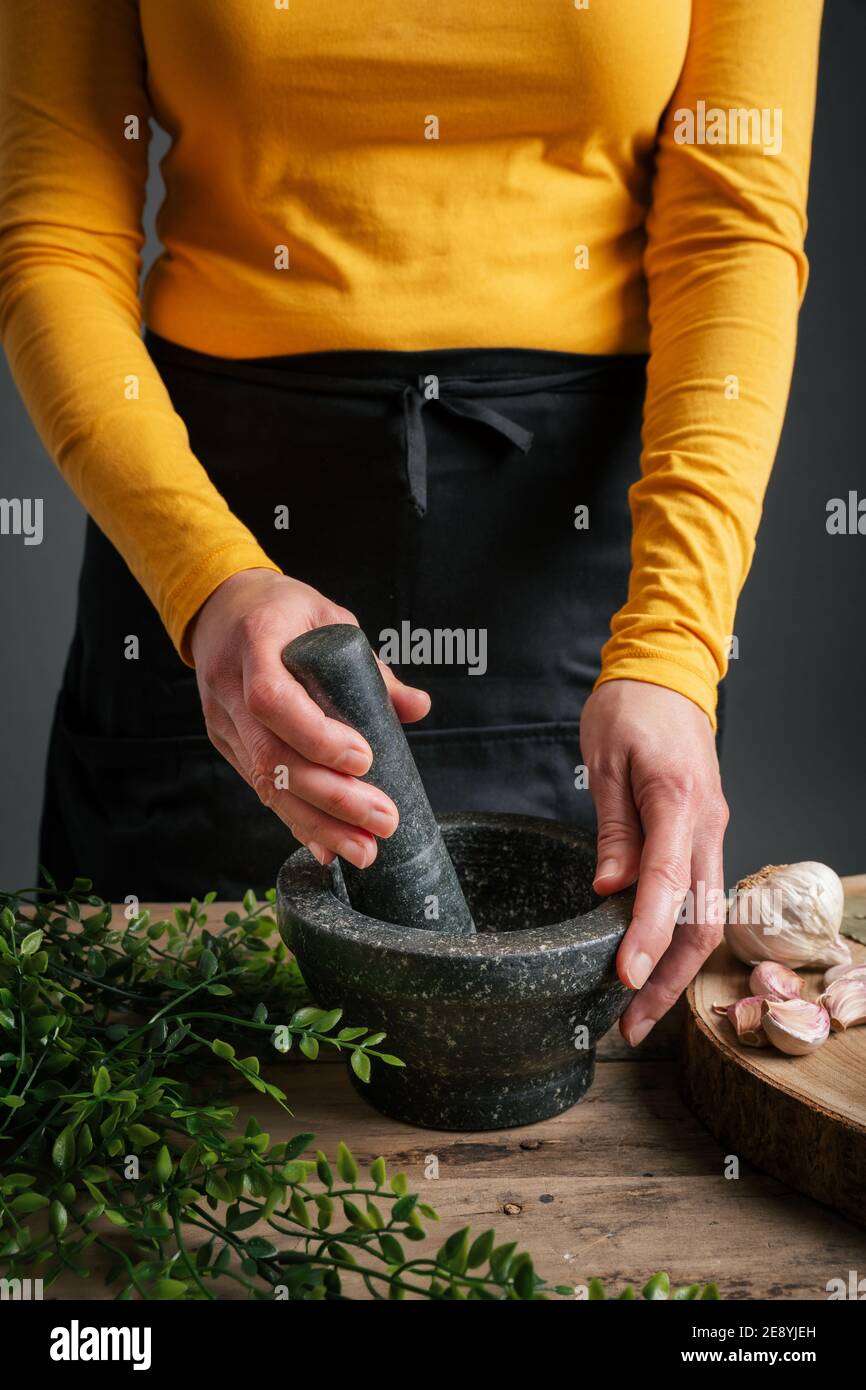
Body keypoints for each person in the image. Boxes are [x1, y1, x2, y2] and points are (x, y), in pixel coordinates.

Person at [0, 1, 823, 1046]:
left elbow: (729, 235)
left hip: (578, 563)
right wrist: (203, 576)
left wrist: (671, 638)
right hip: (204, 542)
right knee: (157, 1068)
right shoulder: (203, 576)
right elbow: (57, 236)